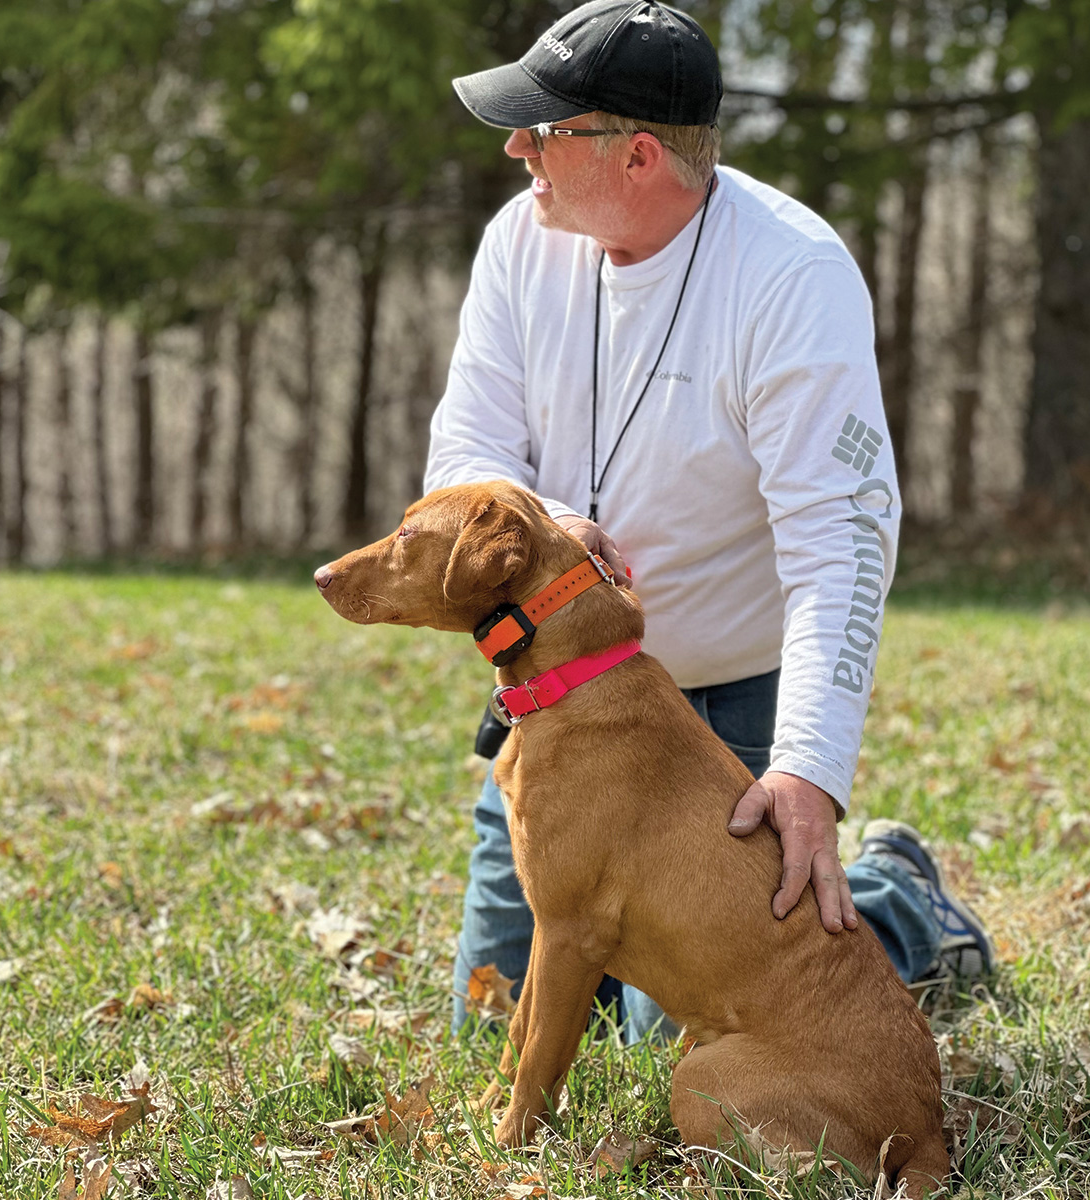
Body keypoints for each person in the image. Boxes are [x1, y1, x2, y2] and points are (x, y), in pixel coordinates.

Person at [425, 0, 993, 1040]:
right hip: (554, 697)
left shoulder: (792, 275)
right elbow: (465, 449)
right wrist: (549, 516)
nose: (516, 148)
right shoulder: (519, 240)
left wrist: (808, 769)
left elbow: (843, 540)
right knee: (491, 1024)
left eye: (544, 128)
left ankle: (904, 906)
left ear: (636, 154)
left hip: (724, 709)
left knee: (680, 1036)